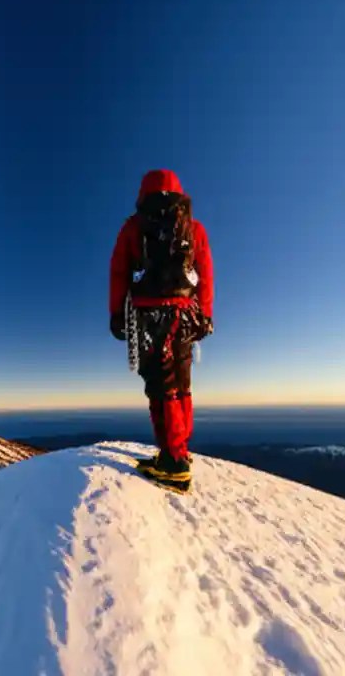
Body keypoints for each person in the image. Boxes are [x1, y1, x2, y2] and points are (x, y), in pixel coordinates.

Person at [109, 169, 214, 492]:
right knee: (181, 383)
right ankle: (180, 449)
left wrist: (117, 315)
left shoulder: (133, 227)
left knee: (160, 385)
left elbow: (119, 272)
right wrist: (205, 315)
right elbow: (205, 272)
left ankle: (173, 462)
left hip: (149, 315)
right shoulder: (194, 229)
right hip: (185, 313)